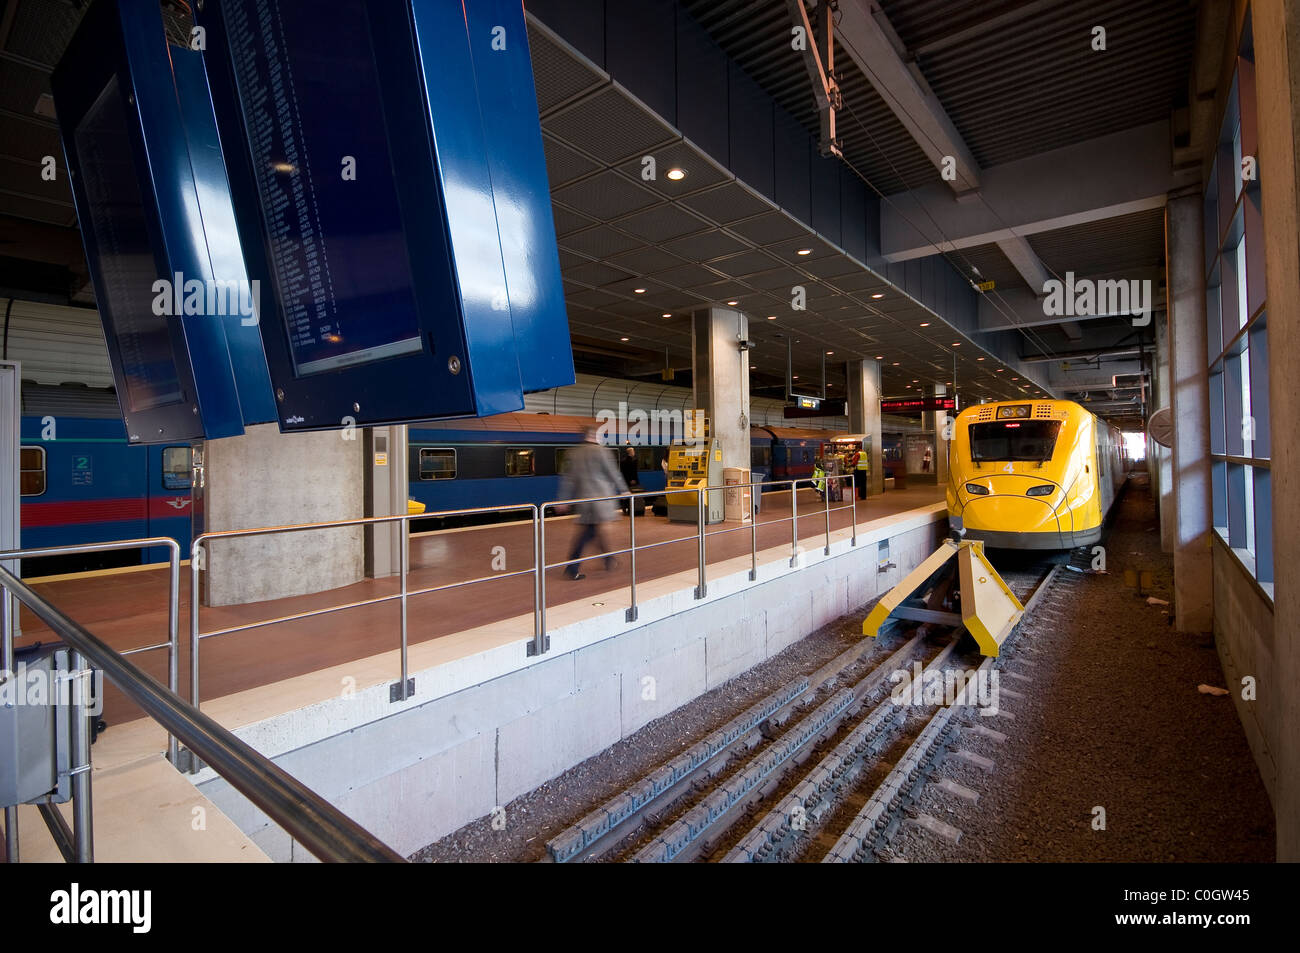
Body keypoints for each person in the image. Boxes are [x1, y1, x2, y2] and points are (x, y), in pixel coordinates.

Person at [558, 428, 630, 580]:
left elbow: (568, 479)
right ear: (594, 436)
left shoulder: (574, 453)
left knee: (594, 529)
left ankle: (609, 560)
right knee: (589, 532)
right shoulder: (601, 451)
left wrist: (563, 499)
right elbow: (613, 473)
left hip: (584, 500)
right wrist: (624, 490)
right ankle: (573, 567)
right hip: (600, 500)